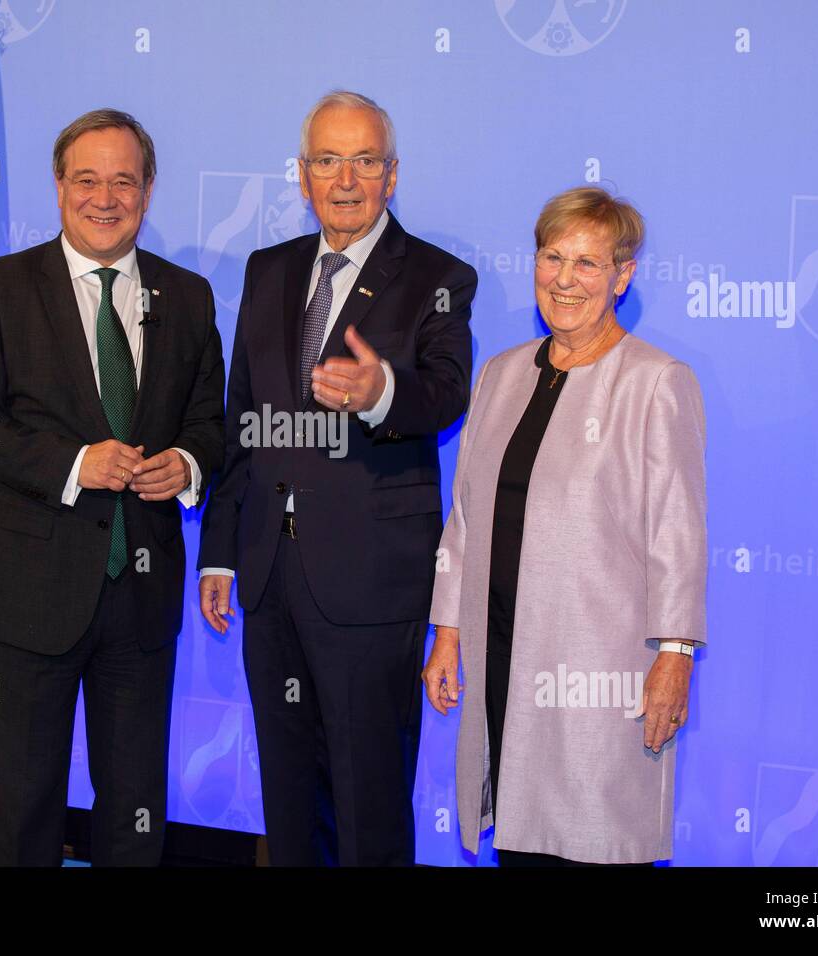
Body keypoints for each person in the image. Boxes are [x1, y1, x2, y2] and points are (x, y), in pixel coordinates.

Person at [0, 109, 225, 866]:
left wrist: (187, 466)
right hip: (25, 594)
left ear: (149, 190)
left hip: (141, 595)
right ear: (60, 187)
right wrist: (73, 465)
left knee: (134, 807)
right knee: (26, 805)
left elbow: (209, 425)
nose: (106, 197)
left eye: (123, 180)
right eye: (87, 179)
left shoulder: (189, 296)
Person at [199, 90, 476, 866]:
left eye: (364, 161)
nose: (345, 178)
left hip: (370, 581)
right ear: (302, 173)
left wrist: (380, 390)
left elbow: (445, 391)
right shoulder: (269, 269)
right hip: (270, 574)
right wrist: (220, 548)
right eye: (328, 160)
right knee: (288, 794)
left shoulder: (437, 275)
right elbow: (242, 417)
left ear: (393, 175)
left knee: (368, 796)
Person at [422, 186, 707, 866]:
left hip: (601, 665)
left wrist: (676, 657)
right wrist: (448, 632)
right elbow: (465, 517)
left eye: (587, 263)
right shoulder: (499, 374)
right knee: (520, 834)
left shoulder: (656, 381)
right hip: (502, 652)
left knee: (593, 836)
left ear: (622, 275)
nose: (565, 279)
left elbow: (679, 531)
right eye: (552, 258)